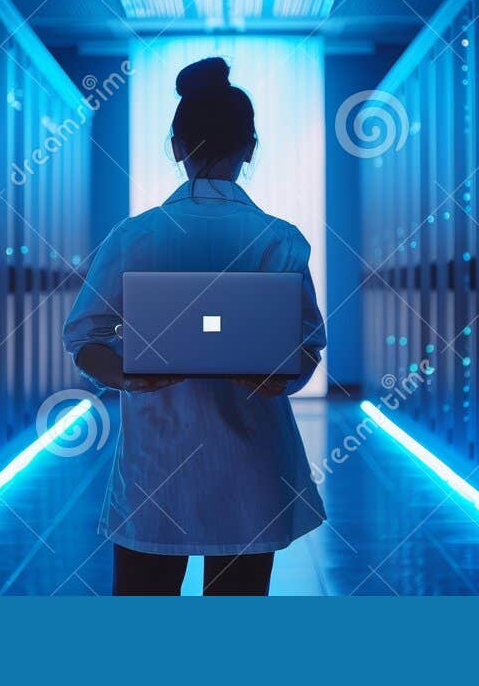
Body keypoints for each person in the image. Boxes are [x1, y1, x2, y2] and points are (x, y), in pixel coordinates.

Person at [61, 57, 327, 596]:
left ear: (176, 146)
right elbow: (306, 348)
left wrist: (132, 377)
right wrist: (272, 377)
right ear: (250, 147)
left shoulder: (136, 237)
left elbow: (85, 340)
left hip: (156, 468)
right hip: (252, 465)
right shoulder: (278, 239)